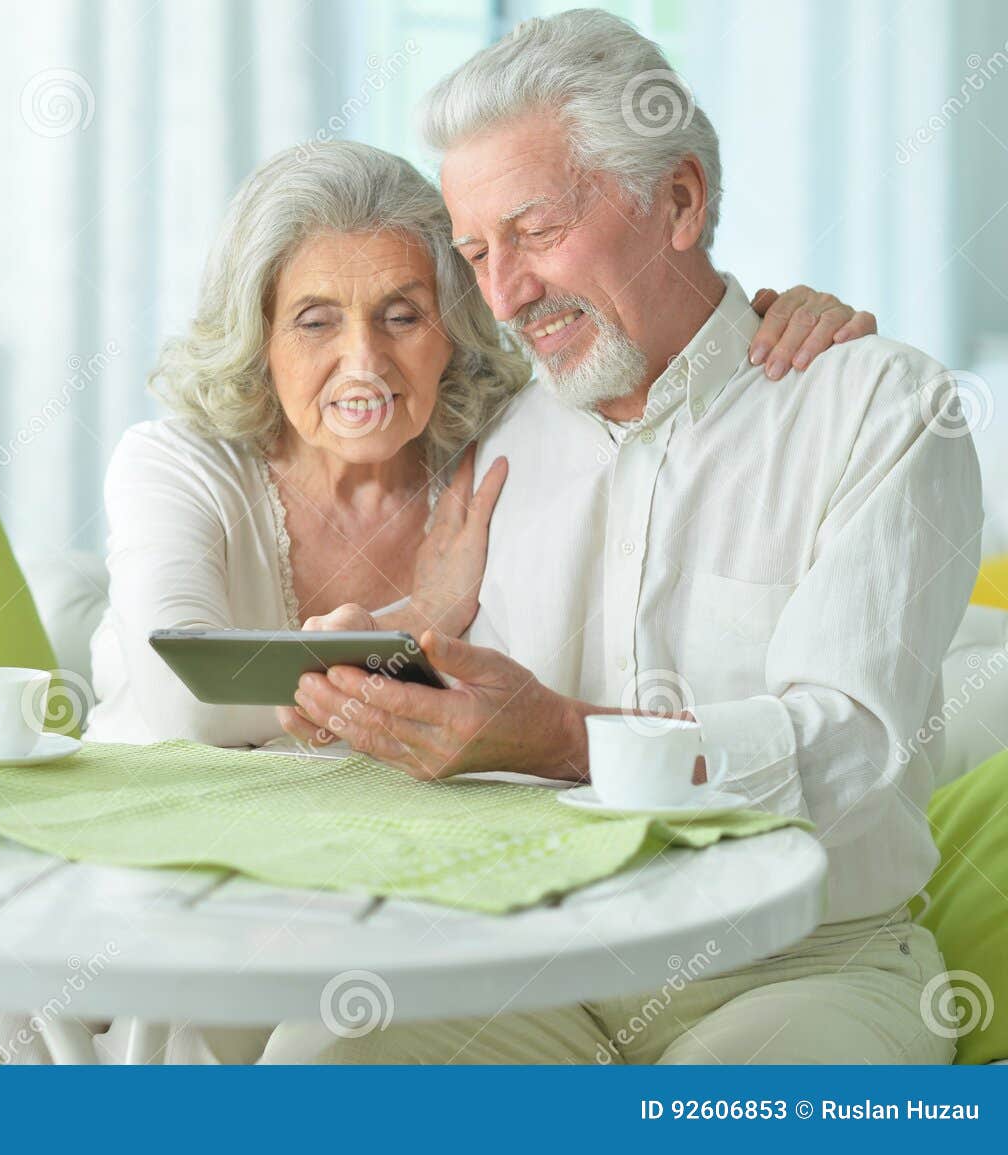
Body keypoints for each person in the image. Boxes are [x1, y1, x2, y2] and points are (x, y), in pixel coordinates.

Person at [277, 8, 982, 1064]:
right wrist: (379, 684)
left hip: (803, 964)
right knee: (317, 1067)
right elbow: (482, 709)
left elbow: (849, 746)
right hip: (539, 965)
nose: (505, 294)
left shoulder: (880, 407)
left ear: (679, 200)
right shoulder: (507, 435)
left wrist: (567, 738)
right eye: (476, 252)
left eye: (535, 232)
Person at [83, 140, 874, 751]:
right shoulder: (174, 465)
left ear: (455, 328)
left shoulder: (502, 453)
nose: (364, 362)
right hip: (144, 855)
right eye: (316, 321)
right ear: (258, 338)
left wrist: (763, 331)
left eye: (402, 315)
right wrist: (422, 616)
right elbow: (190, 698)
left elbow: (652, 387)